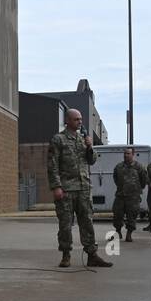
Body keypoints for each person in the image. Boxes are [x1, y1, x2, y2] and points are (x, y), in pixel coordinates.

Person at [48, 109, 111, 267]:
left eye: (81, 119)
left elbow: (92, 161)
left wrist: (90, 147)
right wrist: (56, 186)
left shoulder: (83, 139)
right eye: (77, 119)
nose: (80, 122)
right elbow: (52, 165)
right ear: (68, 121)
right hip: (66, 189)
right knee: (65, 224)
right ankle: (66, 254)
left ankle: (92, 255)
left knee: (87, 222)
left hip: (83, 188)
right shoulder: (58, 139)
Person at [111, 146, 147, 242]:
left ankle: (129, 234)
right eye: (125, 153)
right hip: (120, 196)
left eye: (128, 153)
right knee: (117, 215)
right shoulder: (118, 167)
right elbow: (115, 178)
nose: (126, 155)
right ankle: (118, 232)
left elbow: (144, 180)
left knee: (132, 216)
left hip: (133, 197)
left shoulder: (139, 167)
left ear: (133, 154)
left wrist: (136, 189)